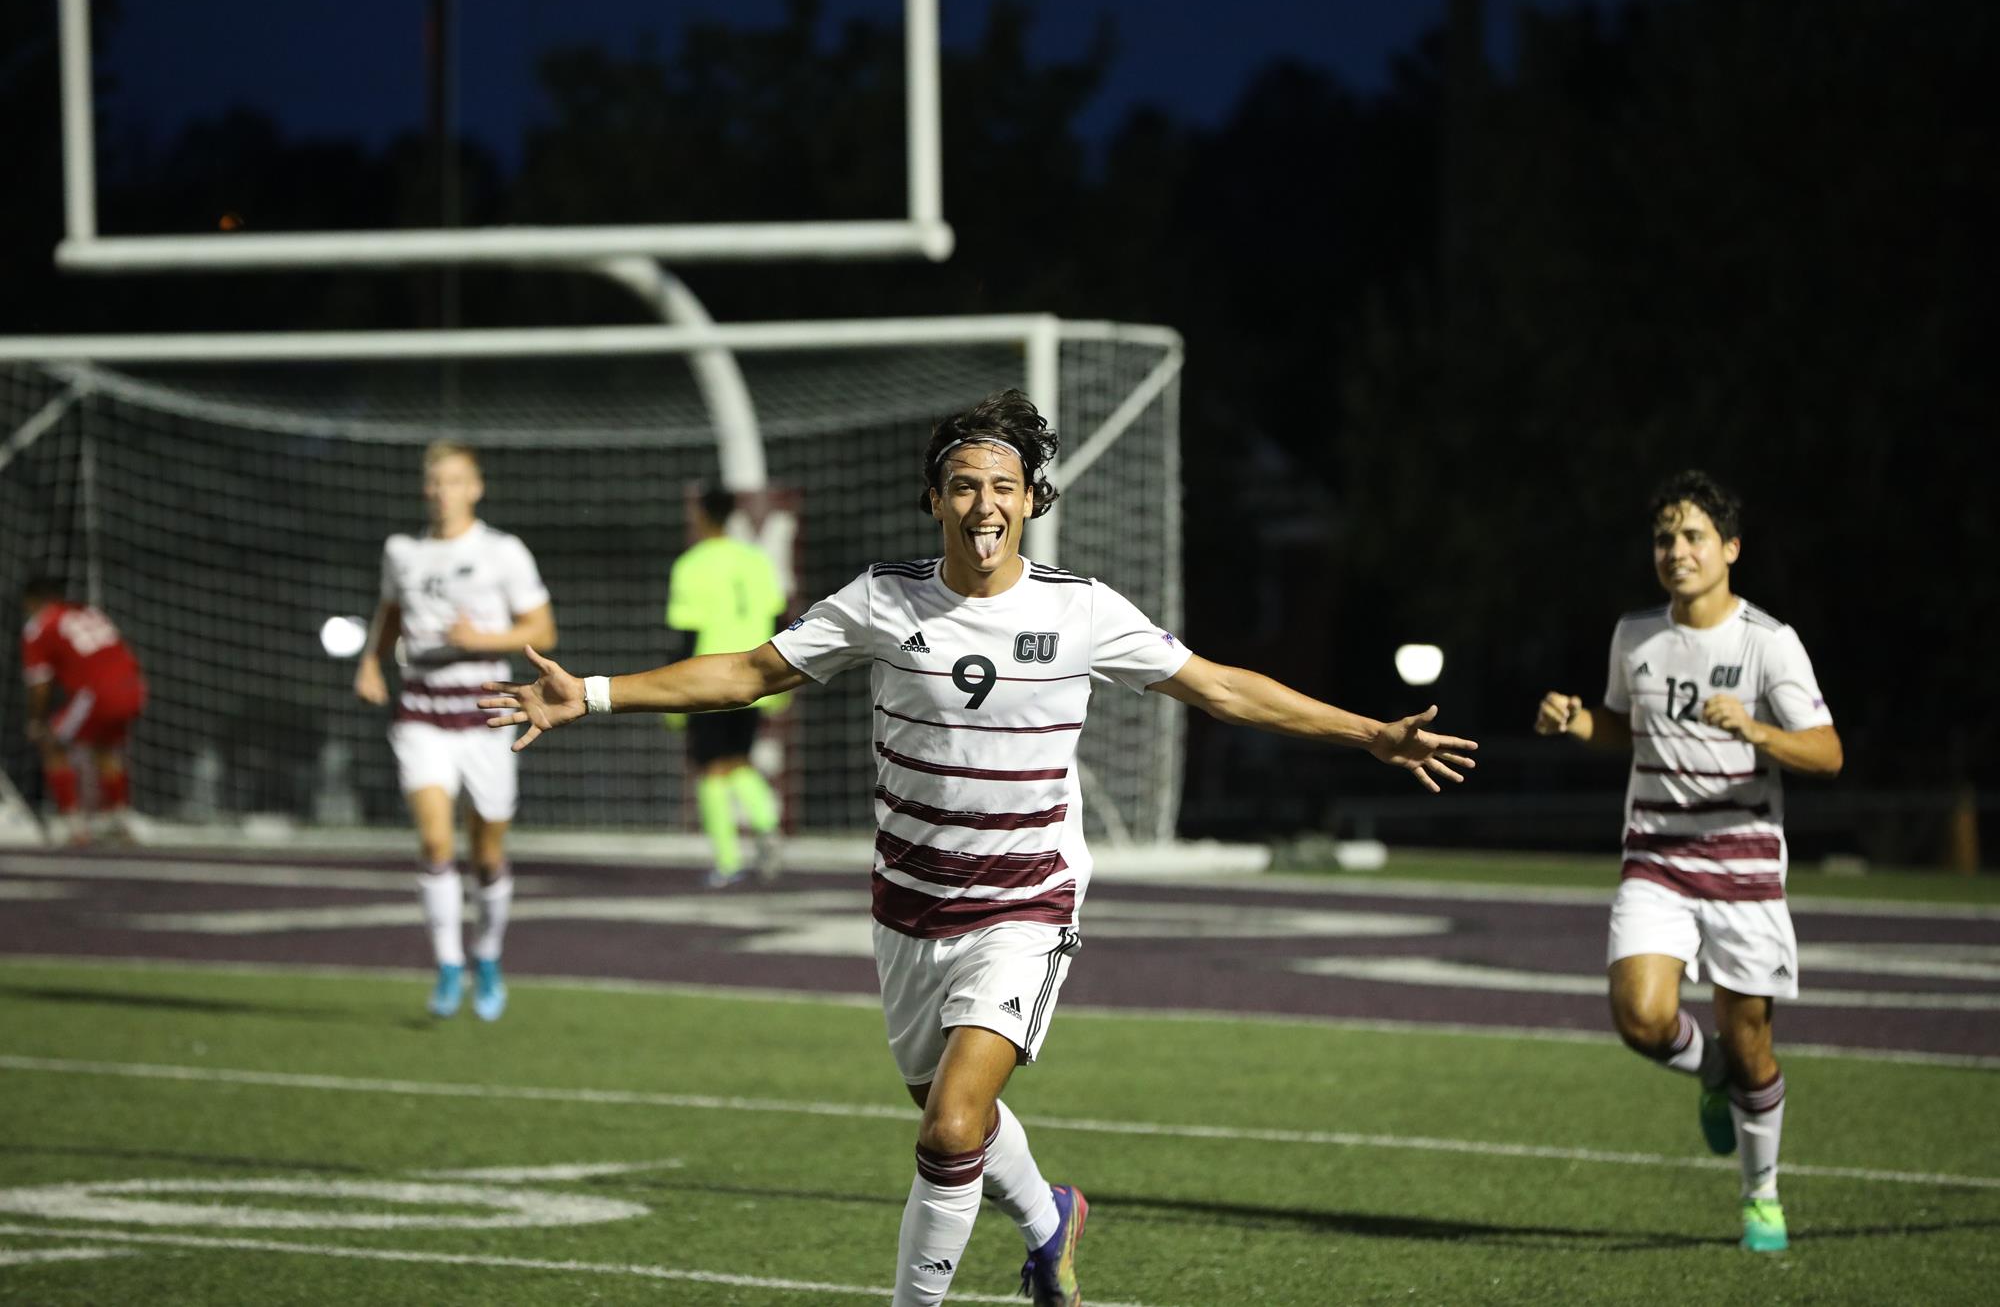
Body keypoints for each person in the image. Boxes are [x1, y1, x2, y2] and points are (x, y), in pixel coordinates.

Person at [481, 389, 1477, 1307]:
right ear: (934, 501)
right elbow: (748, 669)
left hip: (1023, 904)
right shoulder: (881, 599)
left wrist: (1367, 733)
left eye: (1003, 485)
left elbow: (1219, 685)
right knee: (956, 1121)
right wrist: (594, 693)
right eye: (964, 485)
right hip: (907, 906)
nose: (983, 503)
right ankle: (1051, 1224)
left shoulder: (1079, 610)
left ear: (1032, 500)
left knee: (949, 1126)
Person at [1533, 469, 1841, 1254]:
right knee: (1640, 1016)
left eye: (1694, 535)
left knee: (1751, 1048)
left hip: (1745, 868)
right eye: (1666, 537)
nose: (1677, 550)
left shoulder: (1770, 642)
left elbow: (1829, 753)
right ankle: (1709, 1078)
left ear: (1730, 548)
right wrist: (1575, 722)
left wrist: (1758, 731)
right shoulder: (1635, 633)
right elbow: (1619, 728)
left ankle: (1761, 1194)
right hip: (1656, 857)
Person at [354, 441, 556, 1022]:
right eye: (434, 481)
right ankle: (447, 964)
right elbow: (391, 608)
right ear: (426, 489)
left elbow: (543, 626)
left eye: (454, 481)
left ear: (476, 487)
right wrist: (371, 660)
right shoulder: (402, 551)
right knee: (436, 844)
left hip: (486, 714)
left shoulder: (501, 551)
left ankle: (486, 956)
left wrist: (482, 641)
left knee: (487, 856)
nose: (443, 491)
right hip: (421, 713)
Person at [665, 486, 789, 886]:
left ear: (700, 516)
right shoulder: (756, 561)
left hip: (710, 677)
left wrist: (675, 690)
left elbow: (686, 634)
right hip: (753, 677)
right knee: (738, 760)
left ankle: (728, 860)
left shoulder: (691, 565)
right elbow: (776, 620)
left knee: (711, 769)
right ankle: (768, 824)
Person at [19, 576, 148, 846]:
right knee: (105, 748)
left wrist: (35, 720)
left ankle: (74, 825)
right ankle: (120, 819)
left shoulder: (40, 626)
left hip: (97, 694)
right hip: (133, 686)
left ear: (32, 601)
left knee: (52, 741)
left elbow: (40, 684)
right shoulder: (87, 612)